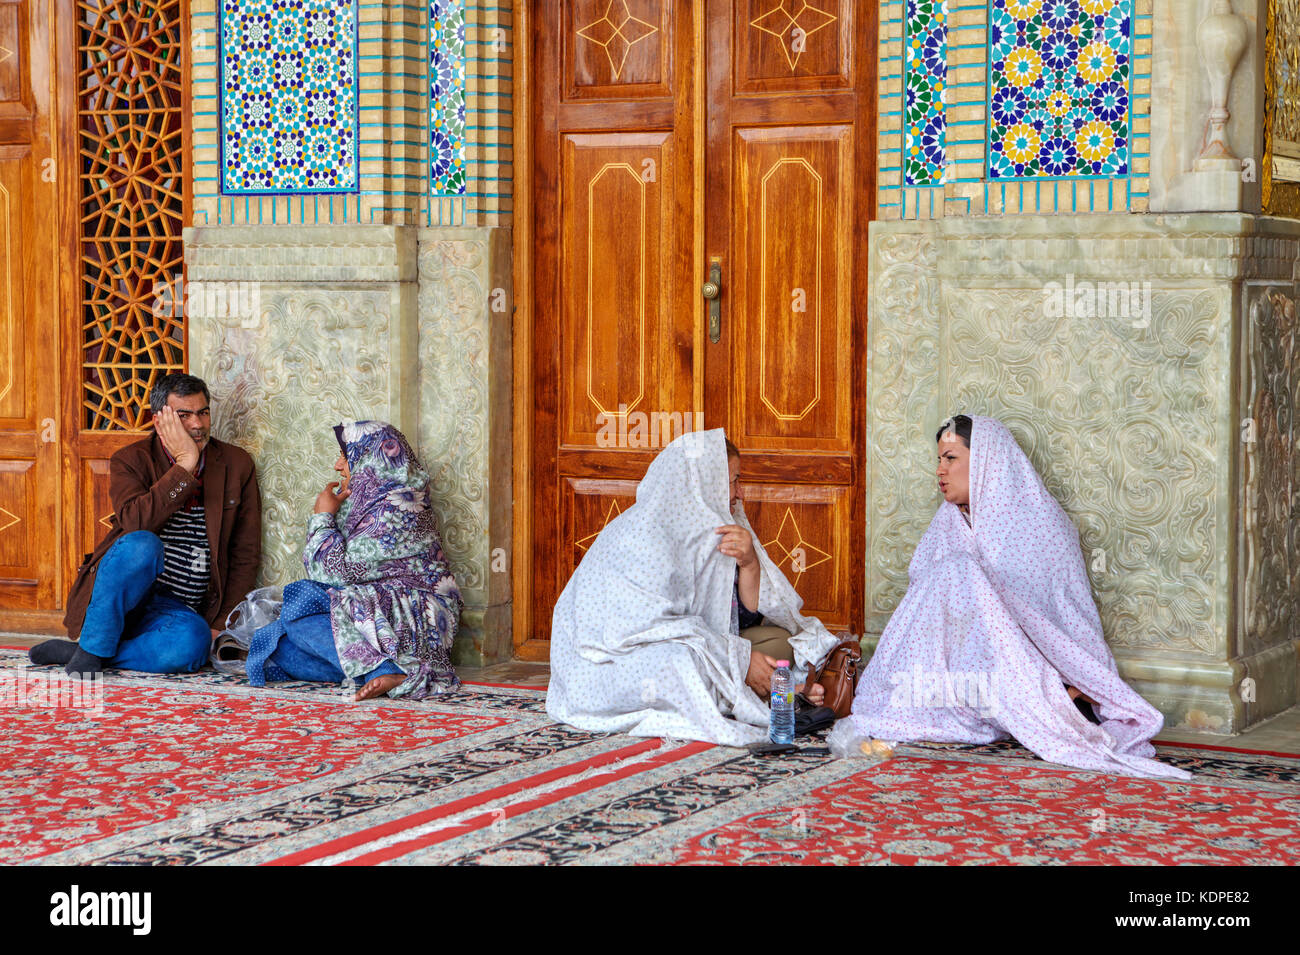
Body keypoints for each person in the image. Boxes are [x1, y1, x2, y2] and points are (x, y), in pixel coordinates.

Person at [828, 414, 1190, 780]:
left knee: (959, 569)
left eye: (950, 458)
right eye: (938, 459)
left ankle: (1028, 701)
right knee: (955, 569)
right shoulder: (948, 522)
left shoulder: (1038, 523)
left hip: (1025, 669)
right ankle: (960, 701)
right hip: (964, 674)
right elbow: (924, 609)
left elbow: (1065, 618)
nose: (940, 470)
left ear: (985, 459)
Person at [546, 428, 838, 746]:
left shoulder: (717, 525)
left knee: (782, 642)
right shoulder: (643, 535)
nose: (740, 493)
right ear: (702, 484)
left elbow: (747, 618)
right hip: (608, 663)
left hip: (697, 644)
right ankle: (772, 692)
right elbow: (645, 632)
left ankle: (765, 689)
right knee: (679, 664)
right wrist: (738, 660)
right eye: (733, 481)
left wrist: (750, 563)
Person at [30, 374, 262, 675]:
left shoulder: (236, 464)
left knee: (192, 644)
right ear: (159, 421)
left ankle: (91, 652)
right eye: (184, 415)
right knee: (142, 544)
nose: (197, 424)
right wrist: (185, 466)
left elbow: (244, 552)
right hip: (124, 599)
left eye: (203, 412)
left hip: (176, 610)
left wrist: (222, 623)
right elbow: (136, 522)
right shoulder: (131, 460)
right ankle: (95, 643)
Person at [246, 420, 462, 700]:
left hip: (411, 620)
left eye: (346, 457)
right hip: (379, 610)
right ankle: (376, 671)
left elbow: (330, 576)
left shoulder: (393, 509)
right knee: (279, 645)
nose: (338, 465)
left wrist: (322, 517)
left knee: (301, 601)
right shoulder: (373, 499)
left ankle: (384, 671)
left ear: (371, 461)